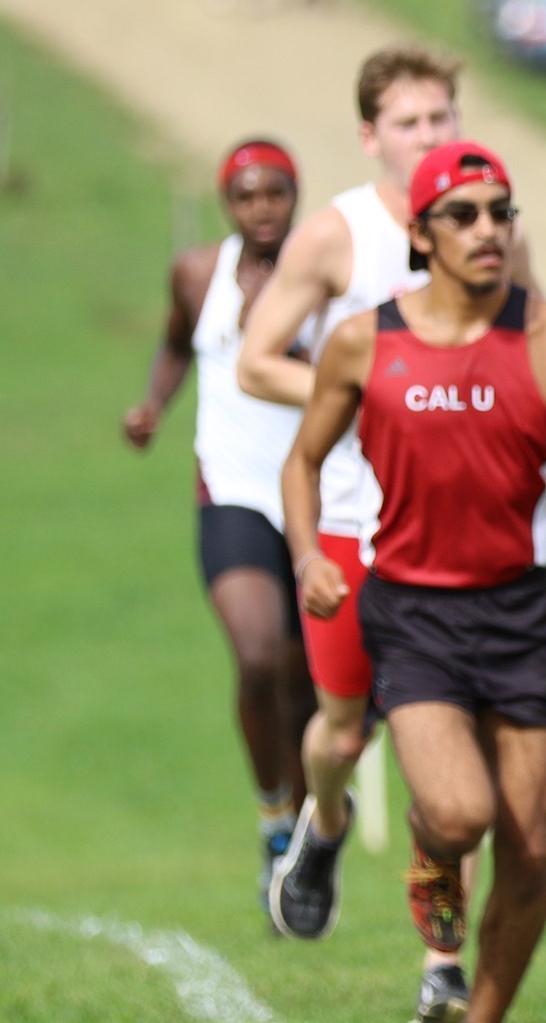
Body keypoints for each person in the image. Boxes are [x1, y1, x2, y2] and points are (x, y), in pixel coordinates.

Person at [283, 140, 546, 1023]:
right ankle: (431, 853)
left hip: (520, 613)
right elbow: (301, 463)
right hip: (412, 612)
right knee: (459, 815)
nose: (487, 229)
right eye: (462, 215)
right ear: (421, 235)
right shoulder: (362, 342)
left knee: (529, 853)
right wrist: (307, 556)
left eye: (501, 211)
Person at [240, 44, 534, 1020]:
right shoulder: (335, 236)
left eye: (442, 118)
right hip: (353, 527)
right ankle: (324, 823)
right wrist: (367, 392)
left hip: (467, 544)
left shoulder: (490, 228)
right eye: (409, 123)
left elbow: (534, 350)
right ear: (371, 136)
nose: (428, 136)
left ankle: (441, 960)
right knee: (339, 731)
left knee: (459, 764)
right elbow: (254, 360)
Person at [122, 138, 316, 914]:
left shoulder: (326, 275)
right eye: (246, 195)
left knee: (307, 689)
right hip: (231, 489)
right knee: (257, 659)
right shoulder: (197, 274)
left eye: (276, 193)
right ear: (226, 203)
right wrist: (152, 406)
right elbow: (176, 345)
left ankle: (308, 843)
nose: (262, 208)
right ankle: (274, 818)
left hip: (317, 498)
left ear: (296, 196)